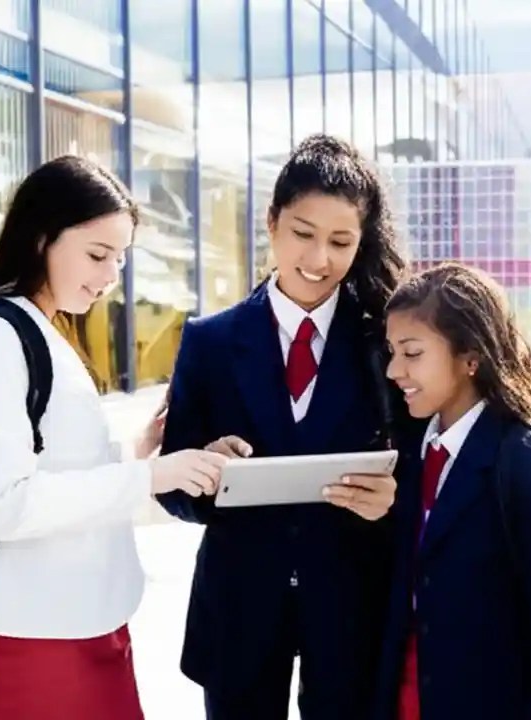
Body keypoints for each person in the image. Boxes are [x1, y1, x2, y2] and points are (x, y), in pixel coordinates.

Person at [0, 155, 227, 720]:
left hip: (79, 628)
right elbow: (0, 505)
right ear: (40, 238)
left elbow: (56, 475)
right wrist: (149, 476)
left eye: (121, 257)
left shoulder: (42, 333)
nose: (112, 275)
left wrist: (143, 451)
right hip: (14, 641)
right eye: (97, 254)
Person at [156, 134, 409, 720]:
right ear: (271, 222)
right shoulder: (210, 342)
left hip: (350, 609)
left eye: (341, 242)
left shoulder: (384, 341)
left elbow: (419, 464)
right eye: (303, 234)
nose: (319, 259)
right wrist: (200, 474)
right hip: (240, 609)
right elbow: (170, 488)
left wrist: (391, 502)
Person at [373, 263, 531, 720]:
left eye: (412, 353)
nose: (394, 369)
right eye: (392, 351)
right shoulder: (412, 452)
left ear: (471, 357)